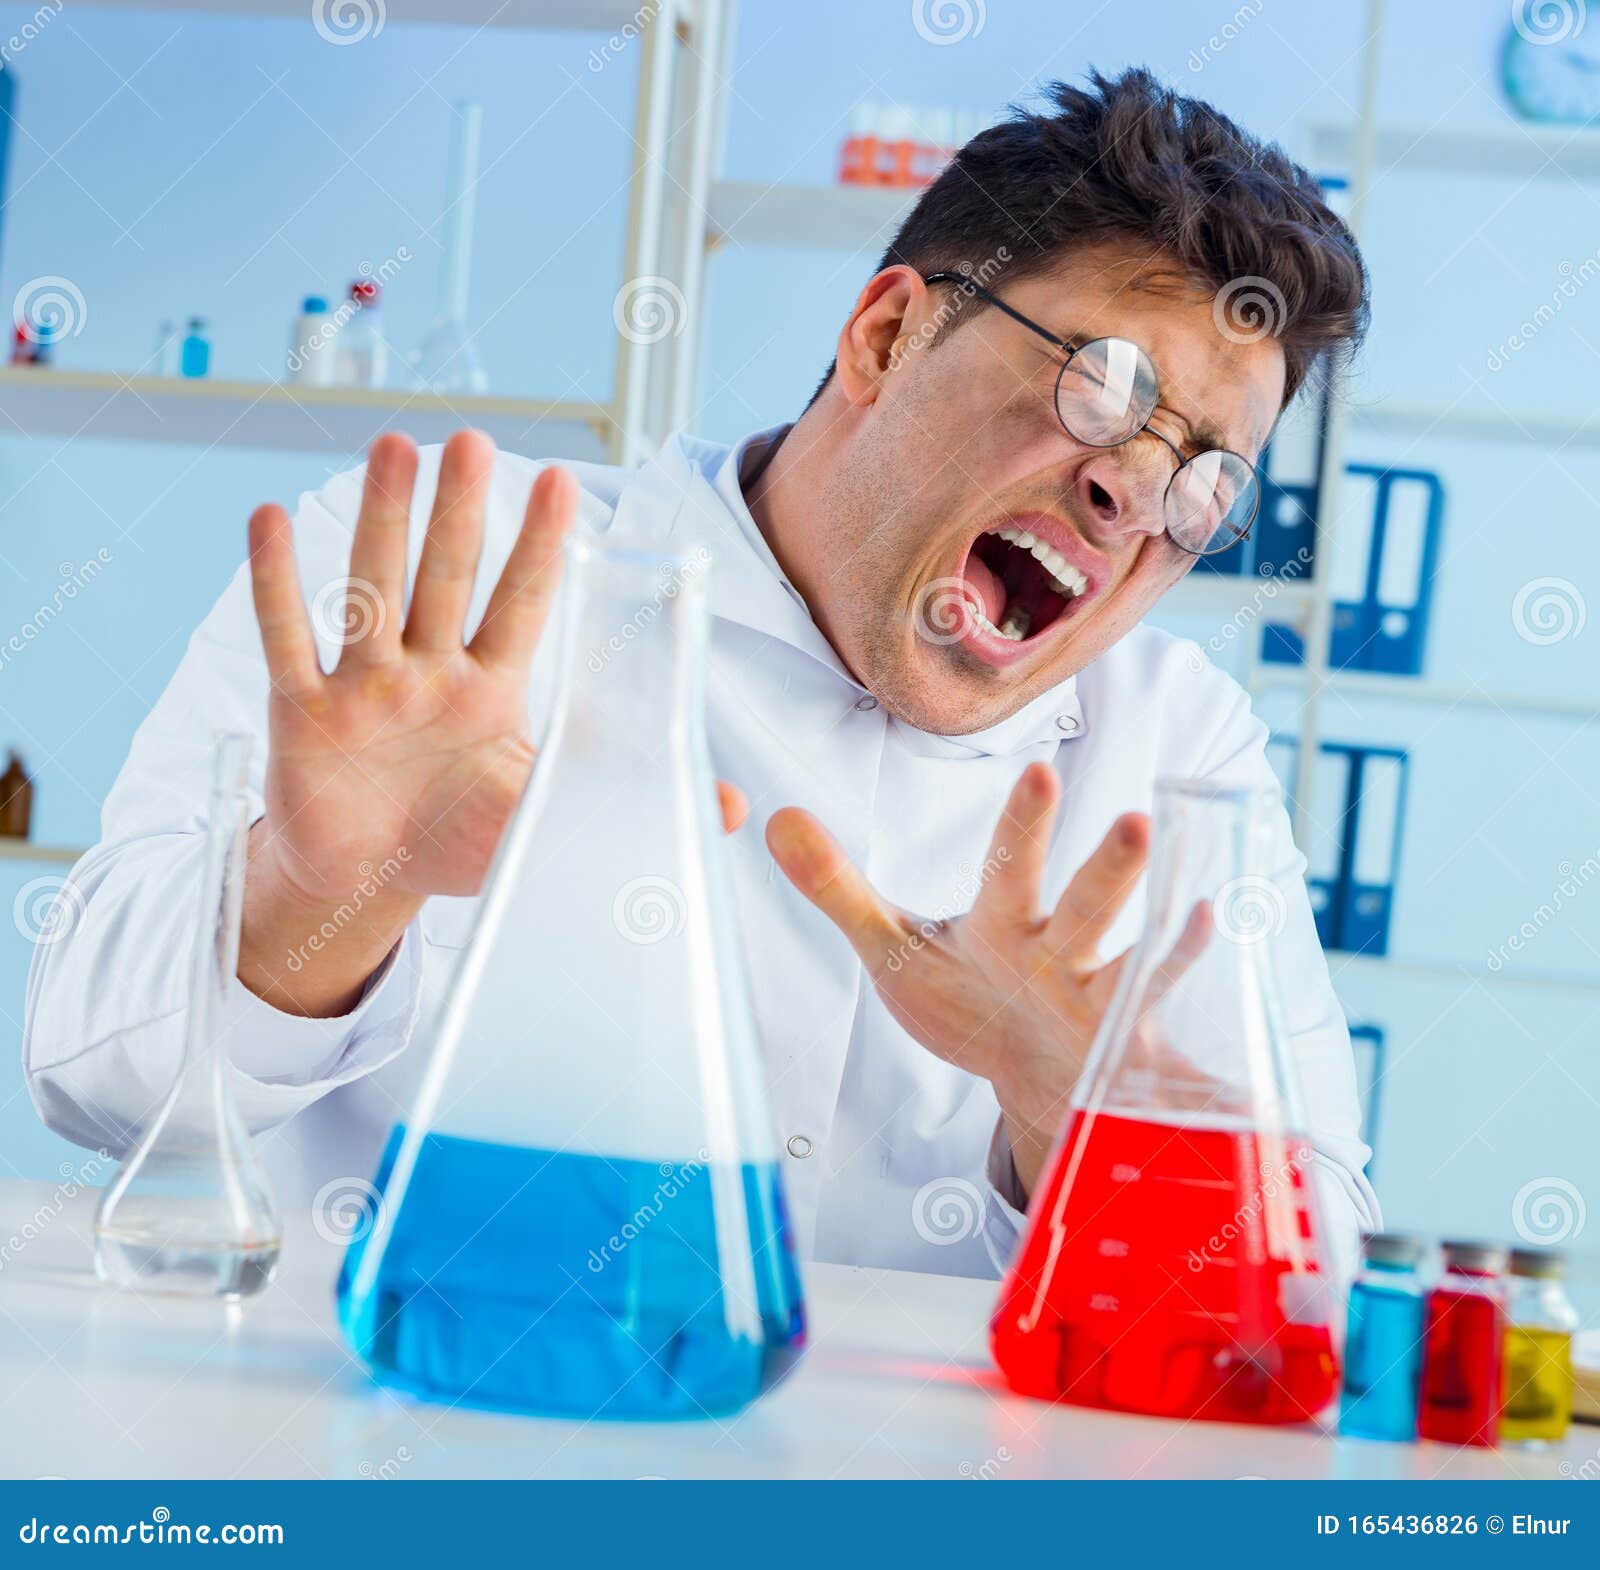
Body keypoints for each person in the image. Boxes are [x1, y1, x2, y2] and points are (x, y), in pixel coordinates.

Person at [25, 69, 1376, 1280]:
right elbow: (94, 1080)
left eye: (1206, 480)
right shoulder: (442, 577)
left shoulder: (1179, 751)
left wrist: (1067, 1113)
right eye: (1103, 383)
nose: (1134, 491)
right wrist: (322, 890)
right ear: (888, 337)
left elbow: (1307, 1263)